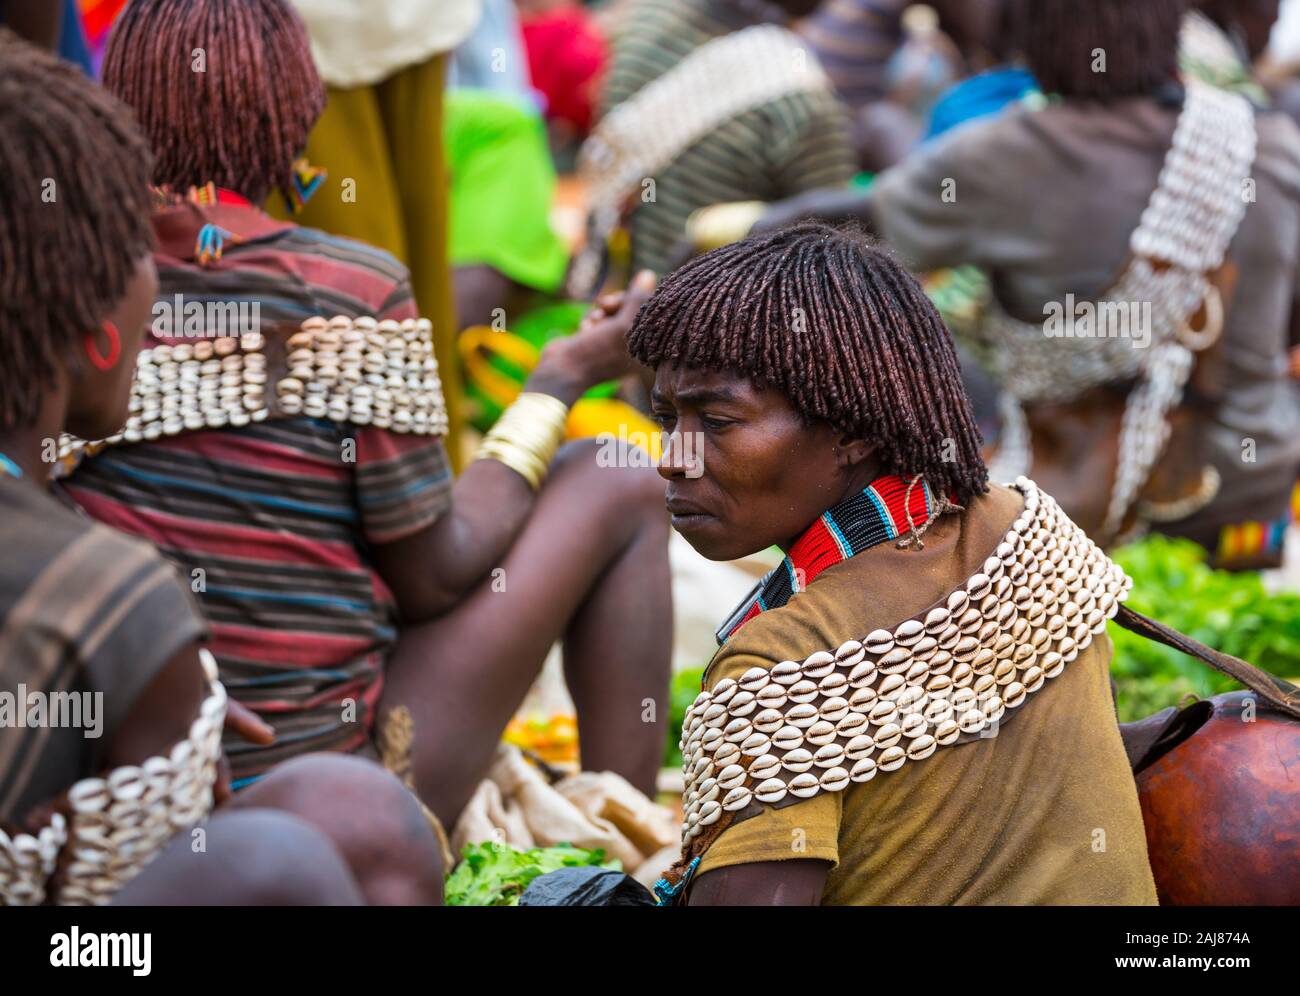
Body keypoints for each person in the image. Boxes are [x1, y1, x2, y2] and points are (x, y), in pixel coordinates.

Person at [62, 0, 672, 829]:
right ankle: (624, 842)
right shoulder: (351, 288)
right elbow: (434, 574)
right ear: (299, 121)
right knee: (617, 480)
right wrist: (560, 379)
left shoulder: (66, 274)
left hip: (111, 791)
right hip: (337, 789)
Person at [0, 28, 443, 906]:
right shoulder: (102, 593)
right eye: (133, 241)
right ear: (93, 325)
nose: (172, 269)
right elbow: (433, 573)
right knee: (291, 856)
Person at [630, 224, 1160, 905]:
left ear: (851, 429)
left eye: (719, 421)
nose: (674, 455)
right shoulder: (1024, 531)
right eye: (668, 417)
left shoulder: (782, 663)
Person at [757, 0, 1300, 566]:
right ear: (1172, 29)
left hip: (1069, 527)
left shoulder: (1006, 153)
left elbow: (836, 228)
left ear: (1031, 36)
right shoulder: (1269, 141)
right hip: (1253, 508)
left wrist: (718, 233)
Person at [570, 0, 856, 295]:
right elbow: (831, 266)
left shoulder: (645, 16)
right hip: (705, 324)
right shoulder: (803, 100)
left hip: (609, 294)